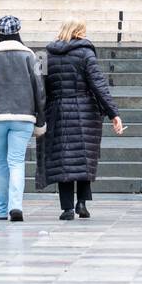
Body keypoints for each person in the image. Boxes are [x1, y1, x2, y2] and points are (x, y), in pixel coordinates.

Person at [39, 18, 124, 222]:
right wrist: (113, 113)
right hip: (85, 111)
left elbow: (38, 88)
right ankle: (82, 203)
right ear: (79, 31)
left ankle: (67, 208)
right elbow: (98, 85)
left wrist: (37, 114)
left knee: (63, 160)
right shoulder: (86, 53)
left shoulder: (43, 55)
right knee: (83, 157)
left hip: (56, 111)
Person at [0, 15, 47, 222]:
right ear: (18, 31)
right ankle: (16, 206)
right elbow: (39, 91)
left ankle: (1, 209)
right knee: (16, 162)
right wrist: (41, 121)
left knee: (1, 163)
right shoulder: (31, 57)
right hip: (24, 117)